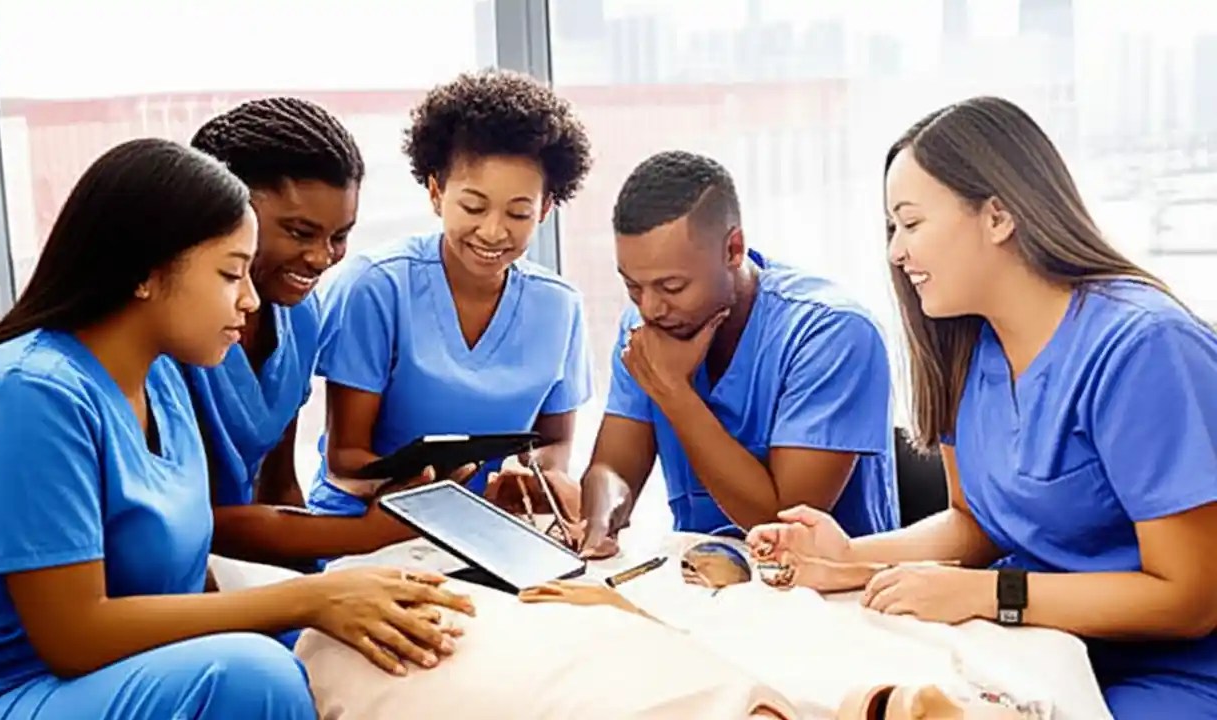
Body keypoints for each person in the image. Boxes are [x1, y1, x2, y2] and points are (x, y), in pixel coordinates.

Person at [0, 138, 474, 719]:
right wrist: (307, 599)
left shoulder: (163, 380)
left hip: (115, 673)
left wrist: (329, 610)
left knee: (359, 654)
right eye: (230, 274)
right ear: (145, 272)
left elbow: (188, 585)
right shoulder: (28, 395)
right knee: (250, 675)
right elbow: (73, 636)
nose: (249, 301)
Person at [749, 96, 1217, 717]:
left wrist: (993, 594)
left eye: (911, 224)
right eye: (891, 228)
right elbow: (975, 526)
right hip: (1037, 649)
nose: (895, 251)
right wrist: (847, 560)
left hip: (1169, 673)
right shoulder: (966, 348)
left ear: (998, 216)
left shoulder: (1145, 347)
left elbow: (1190, 598)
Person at [516, 150, 898, 558]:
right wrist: (600, 519)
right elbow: (614, 468)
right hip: (705, 580)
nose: (650, 308)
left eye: (672, 287)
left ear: (733, 249)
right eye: (633, 287)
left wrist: (675, 394)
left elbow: (781, 523)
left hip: (832, 593)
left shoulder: (832, 332)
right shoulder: (645, 328)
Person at [307, 68, 594, 523]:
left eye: (518, 213)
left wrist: (531, 475)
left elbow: (555, 443)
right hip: (369, 519)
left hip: (491, 527)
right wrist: (433, 490)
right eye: (473, 207)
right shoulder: (378, 287)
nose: (494, 231)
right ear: (436, 192)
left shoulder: (559, 306)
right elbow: (346, 457)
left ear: (544, 209)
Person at [184, 97, 416, 569]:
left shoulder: (302, 316)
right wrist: (362, 535)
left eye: (339, 235)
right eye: (299, 232)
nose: (321, 257)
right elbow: (184, 524)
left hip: (257, 569)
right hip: (190, 575)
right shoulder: (174, 332)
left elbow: (279, 485)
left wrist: (319, 584)